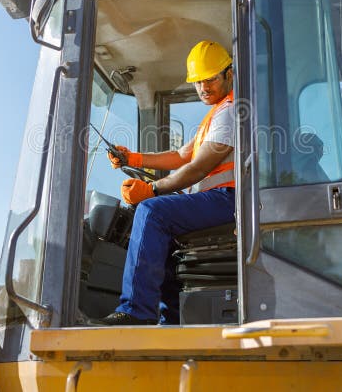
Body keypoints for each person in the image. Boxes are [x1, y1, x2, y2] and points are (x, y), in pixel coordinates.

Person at [91, 40, 236, 326]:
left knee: (152, 212)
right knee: (164, 232)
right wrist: (133, 158)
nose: (203, 88)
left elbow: (198, 168)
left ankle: (135, 311)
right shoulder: (217, 113)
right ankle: (172, 319)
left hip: (228, 200)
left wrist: (152, 190)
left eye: (210, 79)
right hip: (218, 199)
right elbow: (181, 156)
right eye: (198, 82)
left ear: (228, 74)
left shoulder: (231, 111)